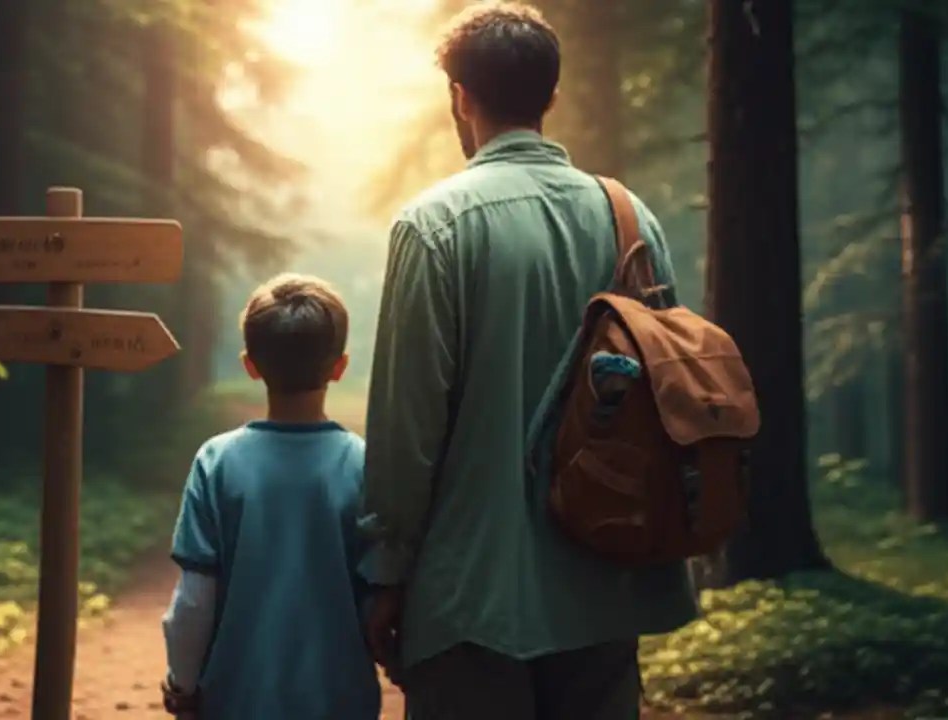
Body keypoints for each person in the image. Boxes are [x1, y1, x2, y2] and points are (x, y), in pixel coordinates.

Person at [358, 3, 698, 719]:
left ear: (460, 96)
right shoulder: (629, 217)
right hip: (604, 579)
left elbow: (407, 426)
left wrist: (385, 573)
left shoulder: (435, 225)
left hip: (472, 597)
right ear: (550, 95)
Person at [159, 273, 381, 720]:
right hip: (340, 701)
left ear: (250, 364)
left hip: (236, 701)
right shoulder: (364, 464)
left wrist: (183, 684)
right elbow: (379, 596)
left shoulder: (217, 461)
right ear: (339, 367)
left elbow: (195, 600)